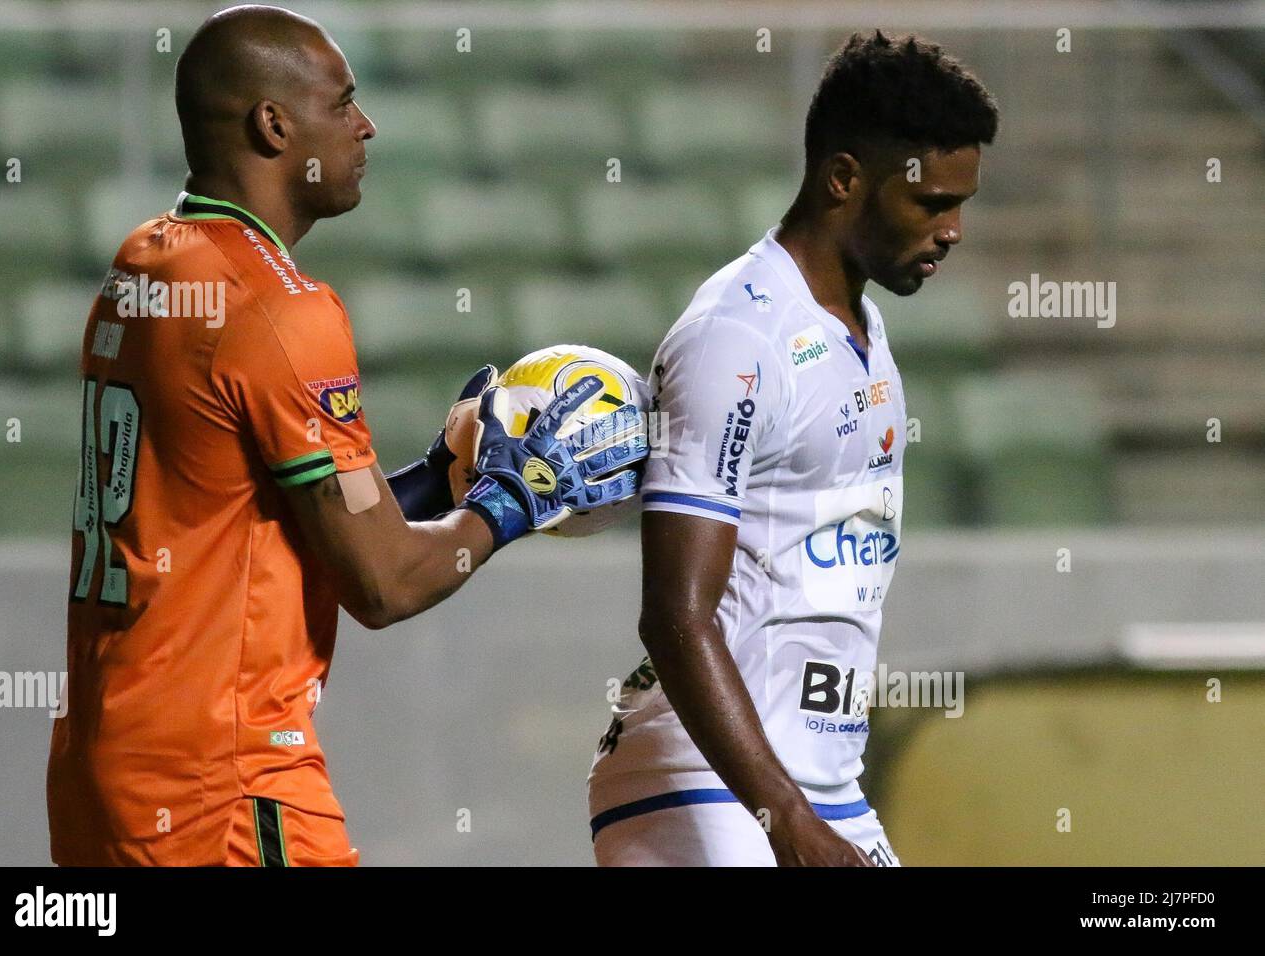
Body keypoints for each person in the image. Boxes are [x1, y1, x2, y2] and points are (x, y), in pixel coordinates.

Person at [49, 4, 645, 867]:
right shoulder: (280, 310)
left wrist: (442, 475)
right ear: (274, 124)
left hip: (108, 760)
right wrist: (516, 499)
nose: (365, 125)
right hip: (222, 781)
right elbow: (384, 584)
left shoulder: (143, 265)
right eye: (344, 102)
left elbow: (268, 525)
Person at [587, 30, 998, 866]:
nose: (953, 230)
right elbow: (675, 615)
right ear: (843, 178)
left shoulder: (863, 321)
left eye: (962, 204)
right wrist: (786, 818)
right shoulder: (737, 337)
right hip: (709, 781)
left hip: (819, 781)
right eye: (930, 204)